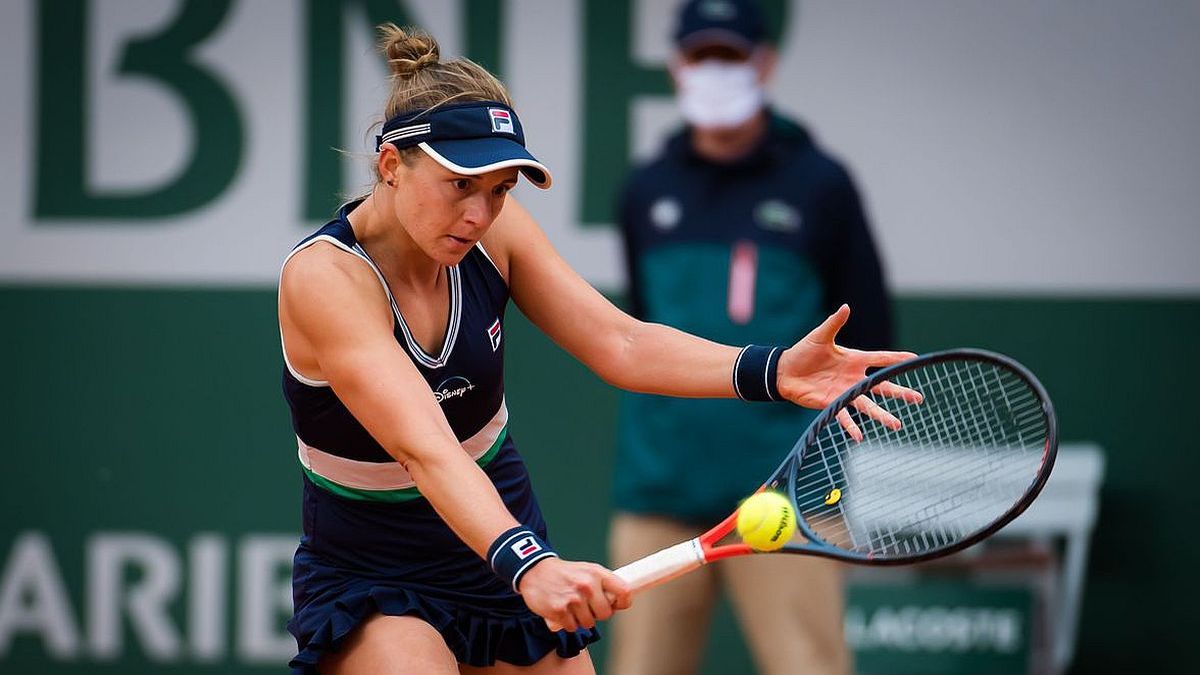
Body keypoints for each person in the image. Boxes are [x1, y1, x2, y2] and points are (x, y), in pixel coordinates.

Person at [278, 23, 910, 675]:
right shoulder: (326, 279)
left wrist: (774, 369)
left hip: (496, 532)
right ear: (390, 166)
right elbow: (425, 447)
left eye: (499, 188)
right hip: (375, 564)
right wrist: (530, 563)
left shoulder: (495, 235)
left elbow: (621, 341)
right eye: (459, 183)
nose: (480, 211)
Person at [608, 1, 895, 674]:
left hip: (791, 490)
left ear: (764, 62)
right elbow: (642, 333)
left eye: (730, 56)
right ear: (677, 66)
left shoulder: (821, 183)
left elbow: (867, 334)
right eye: (701, 55)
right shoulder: (645, 191)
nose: (715, 71)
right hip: (661, 490)